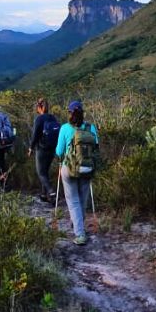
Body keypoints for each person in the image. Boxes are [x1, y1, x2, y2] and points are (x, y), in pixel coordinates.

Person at [56, 100, 99, 245]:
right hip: (87, 167)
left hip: (69, 168)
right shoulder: (91, 127)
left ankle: (80, 234)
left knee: (73, 200)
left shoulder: (65, 128)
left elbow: (59, 151)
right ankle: (78, 224)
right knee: (82, 199)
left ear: (69, 113)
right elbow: (96, 147)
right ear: (82, 113)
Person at [28, 98, 61, 202]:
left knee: (41, 173)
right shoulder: (53, 118)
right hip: (52, 148)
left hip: (41, 149)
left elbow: (35, 135)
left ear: (39, 107)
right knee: (45, 171)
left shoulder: (39, 119)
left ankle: (51, 191)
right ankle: (43, 195)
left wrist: (31, 148)